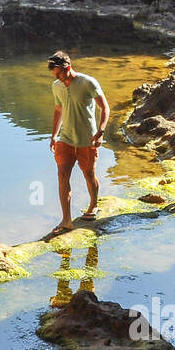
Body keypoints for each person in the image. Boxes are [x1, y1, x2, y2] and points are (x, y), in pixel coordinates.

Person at [47, 50, 109, 236]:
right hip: (65, 139)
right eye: (55, 75)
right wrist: (53, 135)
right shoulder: (56, 86)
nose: (58, 78)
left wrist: (101, 132)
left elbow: (104, 106)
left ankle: (93, 205)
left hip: (86, 140)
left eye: (60, 74)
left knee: (89, 174)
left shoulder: (87, 82)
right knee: (62, 176)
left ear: (68, 67)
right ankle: (66, 220)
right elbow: (58, 109)